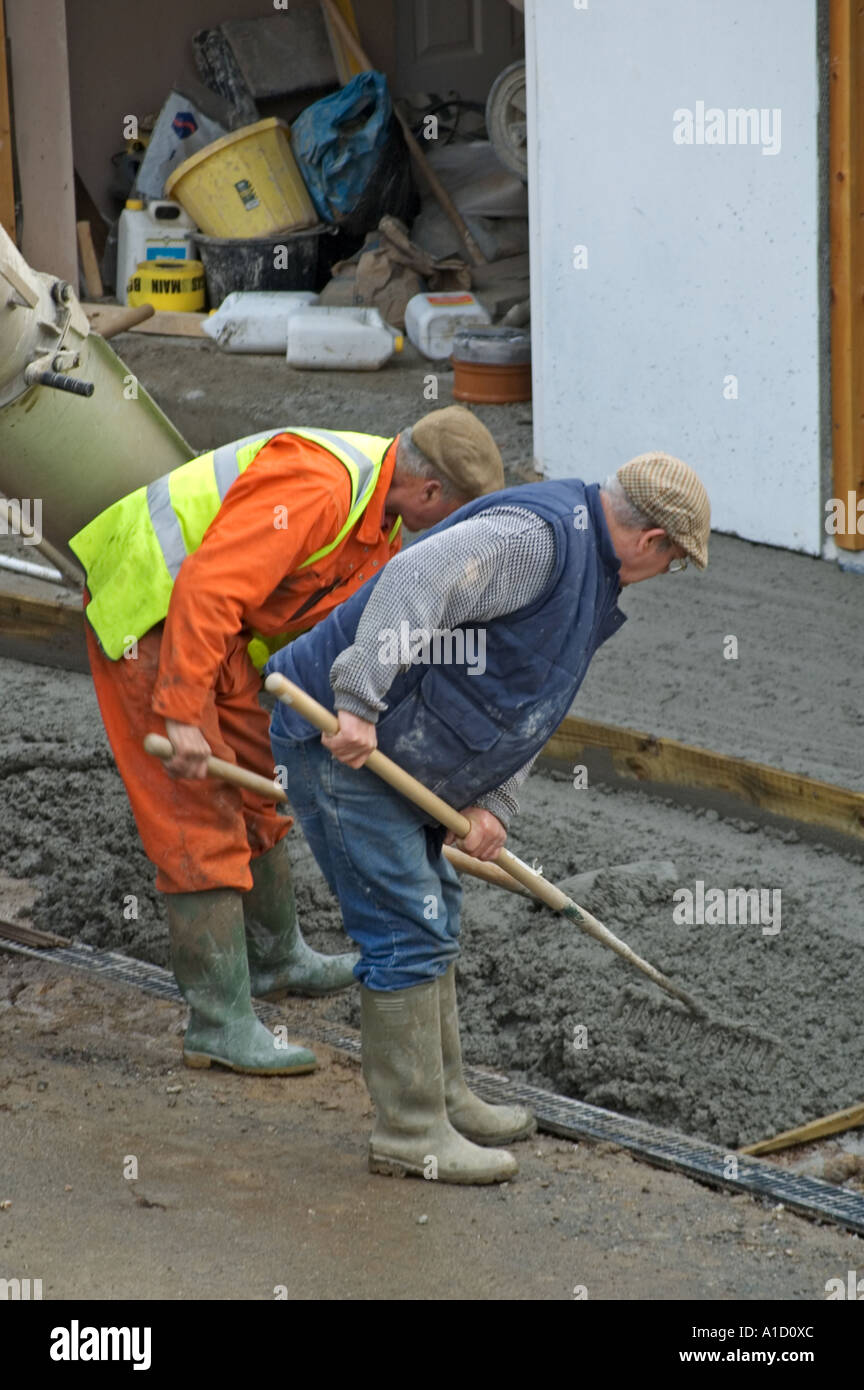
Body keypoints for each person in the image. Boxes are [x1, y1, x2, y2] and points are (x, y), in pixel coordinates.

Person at [266, 452, 711, 1181]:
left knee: (435, 911)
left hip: (411, 749)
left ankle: (445, 1098)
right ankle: (410, 1134)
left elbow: (531, 696)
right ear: (653, 541)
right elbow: (417, 577)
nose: (667, 575)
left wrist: (491, 800)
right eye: (675, 563)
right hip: (343, 740)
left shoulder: (591, 579)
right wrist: (356, 699)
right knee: (405, 926)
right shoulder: (535, 541)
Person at [68, 407, 505, 1076]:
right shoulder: (319, 487)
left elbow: (317, 631)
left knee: (261, 779)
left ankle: (275, 956)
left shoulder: (379, 523)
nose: (454, 538)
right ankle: (218, 1022)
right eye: (458, 518)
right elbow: (209, 586)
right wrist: (182, 710)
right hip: (155, 610)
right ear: (430, 493)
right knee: (198, 807)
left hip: (224, 634)